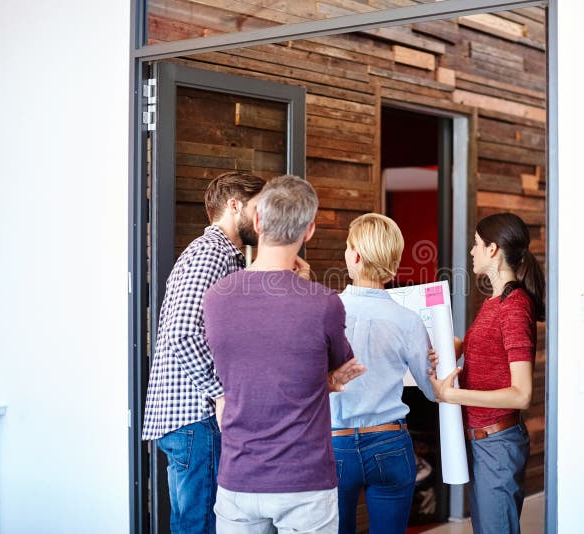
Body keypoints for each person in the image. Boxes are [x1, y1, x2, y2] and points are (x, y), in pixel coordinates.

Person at [203, 175, 366, 534]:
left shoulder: (215, 299)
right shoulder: (324, 303)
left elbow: (240, 371)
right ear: (309, 231)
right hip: (304, 481)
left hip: (239, 477)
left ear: (257, 220)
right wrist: (326, 381)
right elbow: (341, 367)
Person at [142, 171, 265, 534]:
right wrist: (221, 392)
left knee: (191, 524)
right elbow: (181, 333)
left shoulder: (217, 253)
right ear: (234, 205)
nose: (264, 218)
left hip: (189, 421)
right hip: (197, 417)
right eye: (258, 208)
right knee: (201, 526)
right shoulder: (212, 254)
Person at [429, 213, 545, 534]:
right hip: (483, 442)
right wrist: (450, 346)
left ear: (493, 250)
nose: (471, 251)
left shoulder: (514, 306)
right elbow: (483, 353)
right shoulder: (495, 301)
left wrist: (453, 395)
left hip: (497, 445)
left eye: (476, 244)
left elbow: (521, 394)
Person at [329, 213, 436, 534]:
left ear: (356, 256)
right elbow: (433, 391)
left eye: (348, 246)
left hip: (336, 445)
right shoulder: (408, 320)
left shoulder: (326, 311)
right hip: (390, 443)